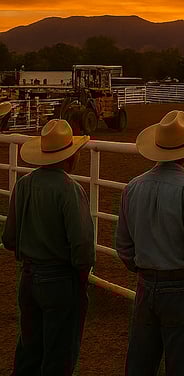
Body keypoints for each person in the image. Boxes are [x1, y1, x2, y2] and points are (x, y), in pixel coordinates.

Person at [116, 110, 184, 376]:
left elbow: (124, 247)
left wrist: (145, 271)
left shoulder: (133, 187)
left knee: (140, 363)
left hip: (146, 285)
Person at [2, 118, 95, 374]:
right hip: (60, 279)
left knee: (30, 347)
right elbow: (83, 246)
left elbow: (9, 238)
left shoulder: (23, 185)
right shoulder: (70, 190)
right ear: (70, 157)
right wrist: (80, 277)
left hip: (29, 276)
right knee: (59, 353)